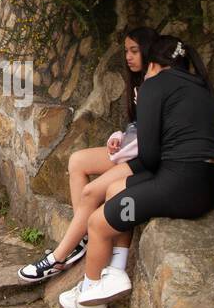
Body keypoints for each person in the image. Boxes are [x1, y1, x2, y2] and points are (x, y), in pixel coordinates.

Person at [61, 35, 214, 308]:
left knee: (98, 223)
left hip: (182, 187)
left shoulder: (153, 87)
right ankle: (113, 271)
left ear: (152, 65)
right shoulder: (200, 86)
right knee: (117, 191)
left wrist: (145, 99)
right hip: (210, 186)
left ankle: (90, 294)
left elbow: (149, 156)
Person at [16, 27, 158, 284]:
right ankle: (81, 238)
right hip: (130, 150)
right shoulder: (139, 82)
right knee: (77, 161)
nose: (128, 56)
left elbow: (155, 135)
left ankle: (59, 256)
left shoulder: (157, 84)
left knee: (91, 191)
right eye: (126, 51)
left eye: (134, 51)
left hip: (145, 158)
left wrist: (128, 144)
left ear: (150, 50)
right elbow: (136, 126)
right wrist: (118, 136)